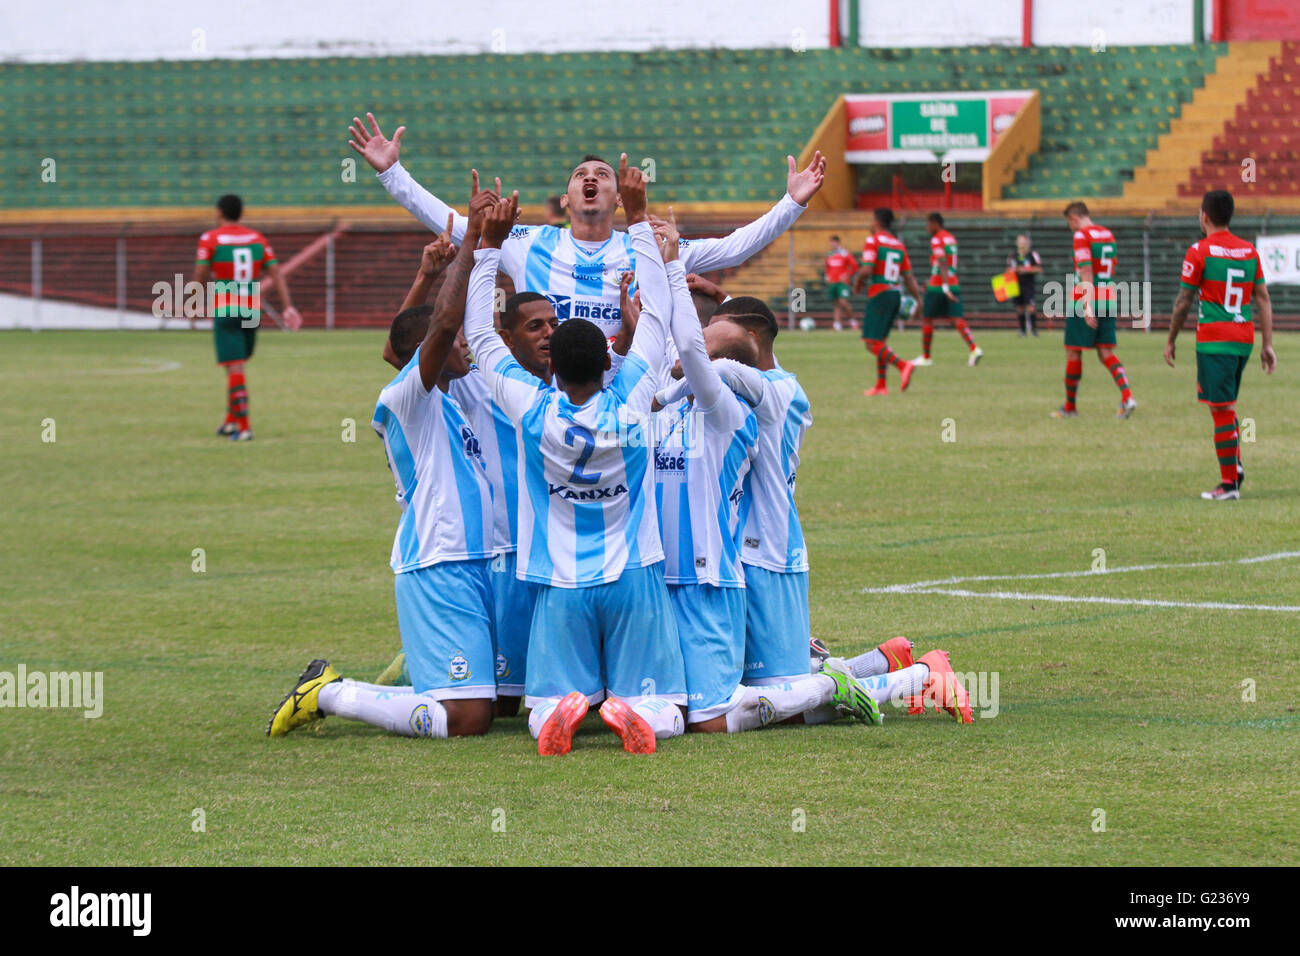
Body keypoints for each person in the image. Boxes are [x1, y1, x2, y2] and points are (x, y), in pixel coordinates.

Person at [464, 160, 690, 755]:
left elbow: (484, 338)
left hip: (561, 581)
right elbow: (659, 320)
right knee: (666, 705)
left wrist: (488, 249)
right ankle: (628, 710)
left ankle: (563, 711)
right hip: (633, 574)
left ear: (552, 365)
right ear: (609, 357)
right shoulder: (634, 402)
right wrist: (640, 222)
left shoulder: (533, 410)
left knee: (542, 708)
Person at [266, 192, 500, 741]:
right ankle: (327, 692)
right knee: (467, 721)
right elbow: (431, 330)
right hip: (439, 559)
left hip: (474, 558)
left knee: (486, 703)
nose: (464, 342)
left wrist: (425, 276)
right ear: (434, 349)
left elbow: (411, 336)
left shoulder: (446, 393)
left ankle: (413, 682)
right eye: (453, 338)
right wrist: (473, 244)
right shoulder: (409, 398)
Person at [649, 208, 880, 731]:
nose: (707, 331)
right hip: (735, 547)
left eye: (716, 324)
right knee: (753, 691)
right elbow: (733, 341)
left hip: (768, 552)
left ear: (749, 335)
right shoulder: (755, 370)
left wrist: (667, 387)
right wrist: (717, 296)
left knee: (791, 705)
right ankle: (863, 664)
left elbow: (710, 361)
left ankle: (882, 677)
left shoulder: (776, 392)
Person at [346, 112, 824, 340]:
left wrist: (791, 203)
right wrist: (393, 173)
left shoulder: (651, 244)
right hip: (545, 397)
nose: (590, 180)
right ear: (565, 199)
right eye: (580, 176)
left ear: (619, 200)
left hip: (627, 399)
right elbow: (454, 225)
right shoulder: (528, 241)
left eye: (602, 176)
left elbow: (734, 248)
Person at [1165, 189, 1276, 501]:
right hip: (1244, 339)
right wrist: (1268, 344)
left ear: (1205, 216)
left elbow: (1183, 301)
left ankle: (1229, 484)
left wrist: (1171, 339)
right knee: (1225, 406)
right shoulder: (1249, 251)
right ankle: (1234, 467)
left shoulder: (1199, 251)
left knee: (1221, 409)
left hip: (1215, 340)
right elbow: (1263, 298)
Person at [193, 194, 302, 441]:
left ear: (219, 212)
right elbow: (276, 274)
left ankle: (244, 427)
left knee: (235, 367)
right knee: (237, 363)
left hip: (226, 308)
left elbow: (200, 274)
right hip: (251, 309)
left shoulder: (210, 239)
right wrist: (288, 307)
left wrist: (193, 300)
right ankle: (230, 421)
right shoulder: (257, 239)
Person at [1052, 202, 1137, 419]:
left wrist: (1087, 305)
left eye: (1069, 223)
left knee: (1073, 351)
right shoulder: (1107, 234)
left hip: (1086, 297)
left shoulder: (1081, 236)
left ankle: (1070, 408)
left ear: (1073, 218)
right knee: (1106, 351)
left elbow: (1086, 270)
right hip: (1108, 295)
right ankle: (1127, 397)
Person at [852, 208, 925, 396]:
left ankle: (903, 365)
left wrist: (858, 282)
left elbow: (867, 270)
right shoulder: (899, 245)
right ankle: (881, 385)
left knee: (870, 342)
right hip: (895, 294)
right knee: (881, 341)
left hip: (880, 293)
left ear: (876, 221)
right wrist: (918, 300)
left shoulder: (873, 240)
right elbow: (909, 278)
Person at [914, 213, 981, 367]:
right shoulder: (951, 238)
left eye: (928, 224)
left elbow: (942, 263)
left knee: (927, 318)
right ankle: (974, 348)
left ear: (935, 223)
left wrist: (944, 287)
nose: (927, 228)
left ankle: (926, 357)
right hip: (953, 282)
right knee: (957, 318)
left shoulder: (937, 239)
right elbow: (944, 266)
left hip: (939, 286)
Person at [1008, 234, 1043, 336]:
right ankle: (1022, 330)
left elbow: (1039, 269)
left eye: (1024, 242)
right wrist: (1013, 270)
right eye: (1020, 242)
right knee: (1019, 308)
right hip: (1015, 285)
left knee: (1031, 307)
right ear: (1017, 243)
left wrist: (1025, 270)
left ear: (1027, 243)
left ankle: (1034, 329)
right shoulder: (1012, 256)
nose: (1022, 244)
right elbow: (1007, 270)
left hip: (1028, 285)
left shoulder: (1033, 255)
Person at [824, 235, 858, 331]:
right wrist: (827, 276)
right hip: (832, 283)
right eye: (830, 243)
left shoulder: (845, 254)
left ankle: (853, 321)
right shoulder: (829, 255)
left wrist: (847, 275)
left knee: (843, 302)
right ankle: (837, 325)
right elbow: (827, 267)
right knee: (836, 304)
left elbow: (854, 266)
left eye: (833, 243)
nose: (831, 245)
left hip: (842, 283)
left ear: (838, 243)